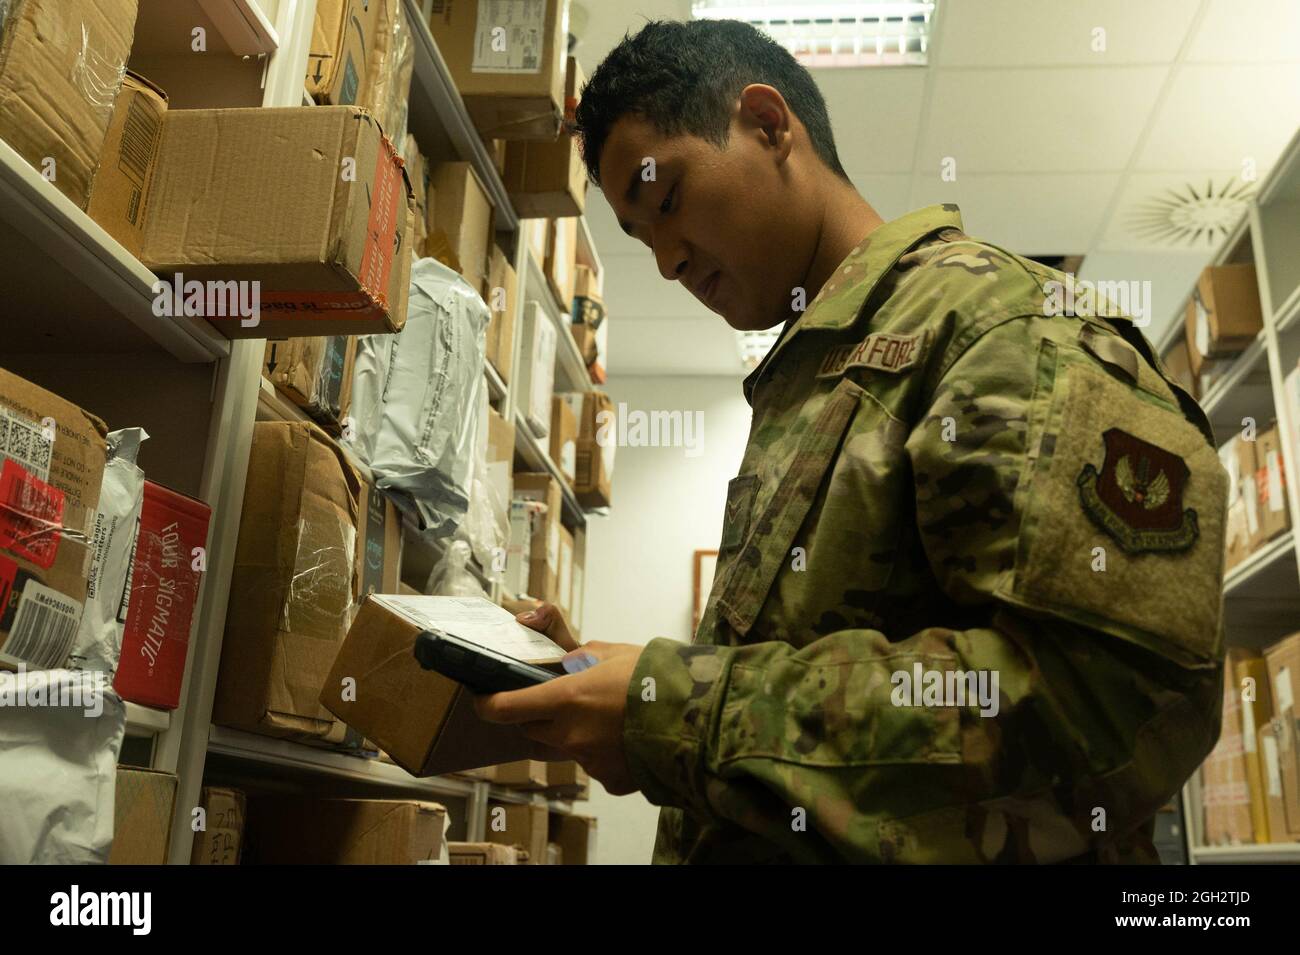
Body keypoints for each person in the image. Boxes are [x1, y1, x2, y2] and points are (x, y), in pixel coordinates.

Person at [476, 18, 1227, 864]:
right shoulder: (814, 378)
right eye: (642, 237)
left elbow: (1118, 700)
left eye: (670, 200)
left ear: (769, 124)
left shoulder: (993, 325)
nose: (666, 263)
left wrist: (671, 704)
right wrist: (619, 690)